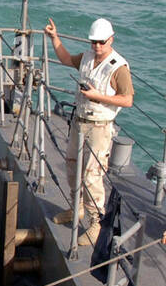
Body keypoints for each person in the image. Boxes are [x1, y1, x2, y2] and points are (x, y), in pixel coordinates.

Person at [45, 16, 133, 244]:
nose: (97, 46)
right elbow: (65, 59)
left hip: (99, 127)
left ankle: (97, 221)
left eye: (102, 42)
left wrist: (97, 97)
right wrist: (55, 38)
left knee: (92, 175)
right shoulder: (86, 57)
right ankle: (76, 209)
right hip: (79, 122)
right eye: (94, 42)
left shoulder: (118, 67)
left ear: (111, 39)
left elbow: (127, 99)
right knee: (72, 165)